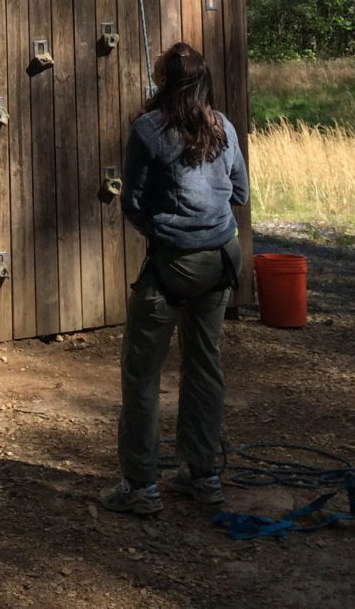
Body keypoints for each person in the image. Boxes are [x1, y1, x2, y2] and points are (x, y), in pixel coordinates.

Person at [100, 41, 249, 517]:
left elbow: (133, 203)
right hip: (223, 259)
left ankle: (141, 486)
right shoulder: (222, 125)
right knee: (205, 365)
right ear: (203, 81)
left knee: (141, 373)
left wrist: (164, 235)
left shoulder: (147, 129)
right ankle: (202, 476)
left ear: (163, 81)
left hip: (174, 264)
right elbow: (240, 194)